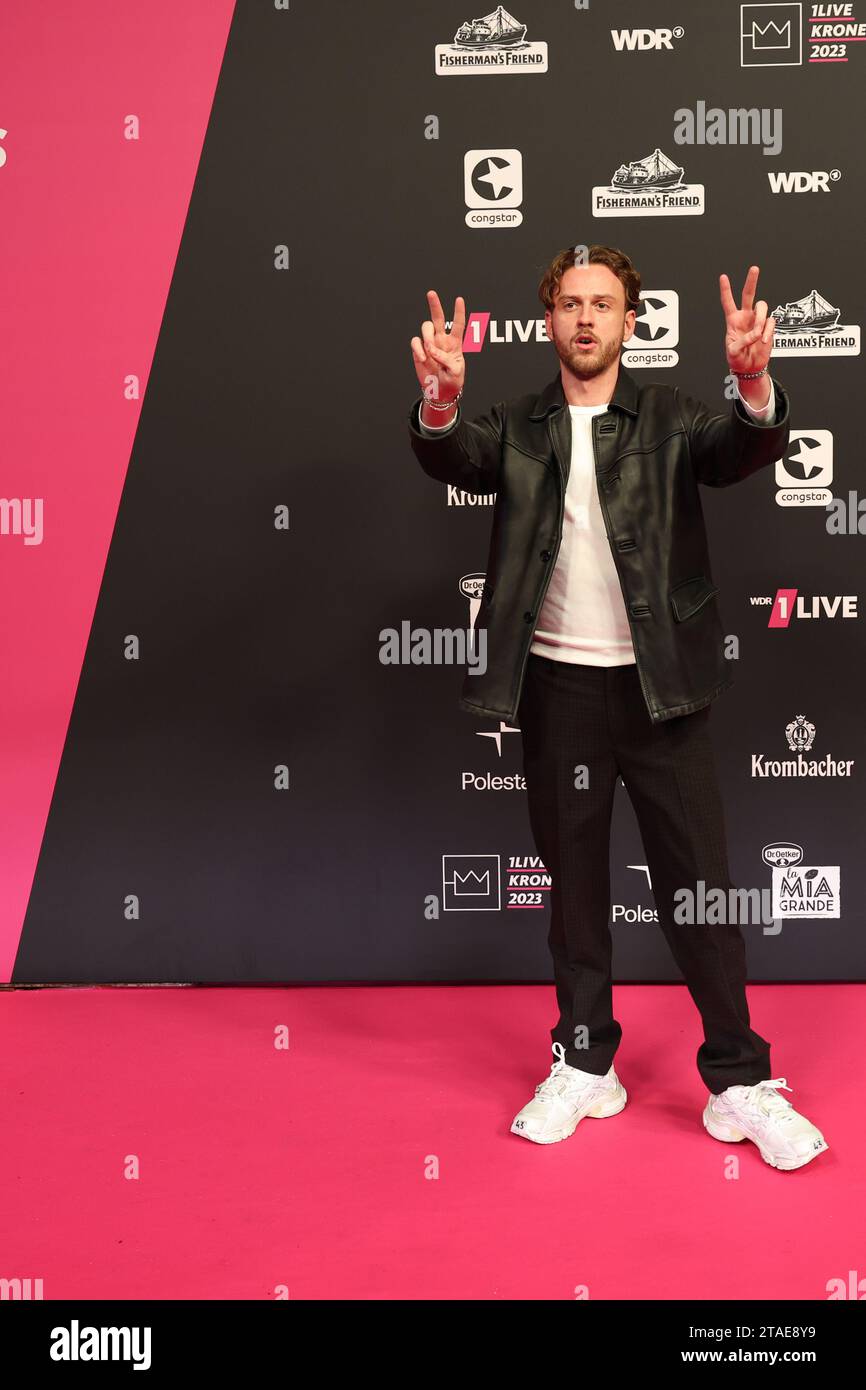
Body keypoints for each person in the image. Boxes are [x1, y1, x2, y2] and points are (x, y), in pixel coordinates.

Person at [407, 245, 829, 1171]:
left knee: (702, 890)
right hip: (559, 689)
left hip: (662, 690)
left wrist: (755, 385)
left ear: (630, 322)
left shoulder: (672, 416)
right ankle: (586, 1061)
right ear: (549, 321)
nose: (586, 318)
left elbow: (741, 450)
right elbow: (454, 452)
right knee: (577, 892)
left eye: (603, 304)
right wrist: (439, 402)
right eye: (569, 304)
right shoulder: (518, 423)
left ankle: (740, 1083)